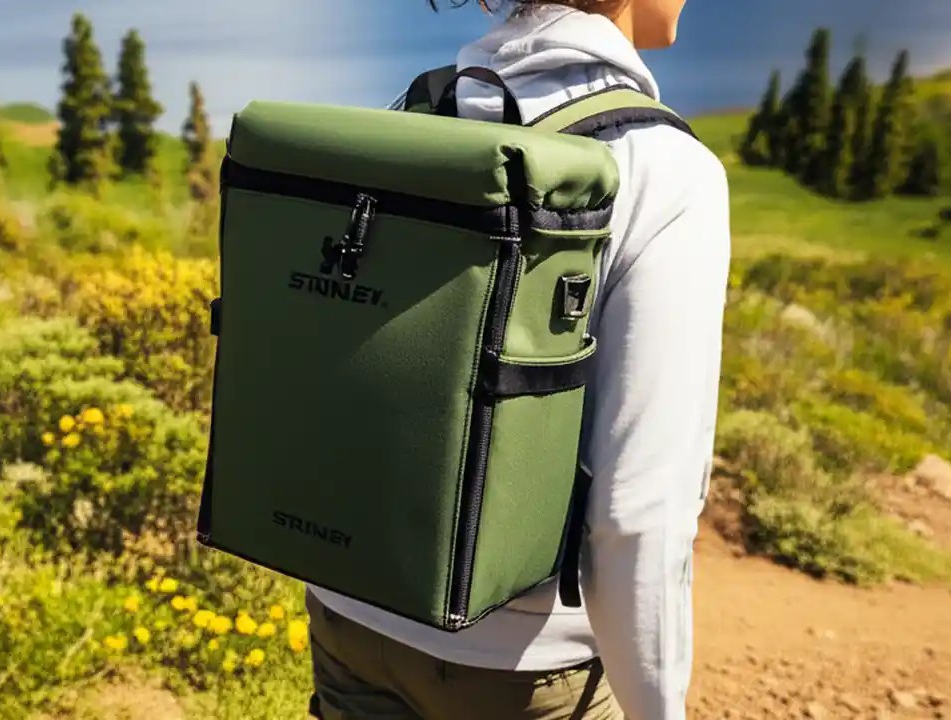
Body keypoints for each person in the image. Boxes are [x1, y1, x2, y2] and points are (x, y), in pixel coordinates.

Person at [305, 1, 730, 718]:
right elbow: (637, 516)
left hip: (352, 614)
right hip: (523, 669)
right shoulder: (664, 170)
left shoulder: (414, 111)